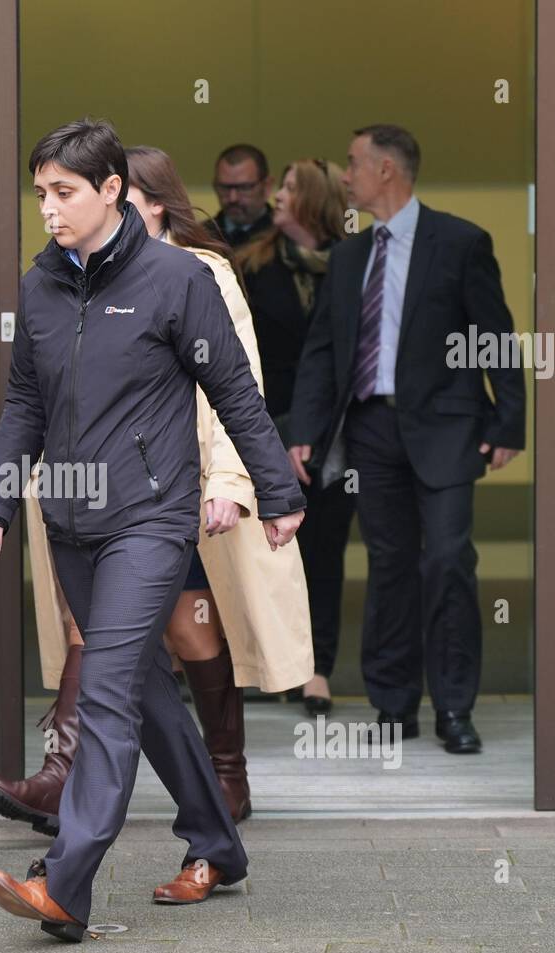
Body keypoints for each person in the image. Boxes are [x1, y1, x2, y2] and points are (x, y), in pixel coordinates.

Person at [0, 120, 305, 942]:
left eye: (64, 192)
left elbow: (233, 389)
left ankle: (65, 883)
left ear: (113, 190)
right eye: (41, 192)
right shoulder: (41, 285)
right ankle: (218, 843)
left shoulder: (174, 279)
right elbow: (24, 406)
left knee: (110, 694)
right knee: (148, 691)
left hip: (152, 522)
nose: (47, 208)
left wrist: (275, 488)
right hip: (71, 523)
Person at [287, 124, 526, 753]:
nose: (345, 175)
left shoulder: (460, 242)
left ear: (386, 170)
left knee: (447, 561)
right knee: (389, 565)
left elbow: (495, 338)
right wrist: (305, 432)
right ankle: (394, 706)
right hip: (370, 430)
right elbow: (321, 354)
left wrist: (508, 422)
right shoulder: (347, 256)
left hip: (448, 427)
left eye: (353, 162)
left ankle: (454, 709)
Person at [236, 158, 354, 715]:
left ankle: (315, 670)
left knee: (324, 551)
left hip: (339, 434)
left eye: (286, 188)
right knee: (268, 550)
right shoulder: (255, 265)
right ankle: (269, 663)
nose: (275, 196)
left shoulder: (355, 265)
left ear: (313, 200)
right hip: (265, 424)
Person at [203, 144, 275, 247]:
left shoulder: (286, 238)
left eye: (244, 188)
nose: (233, 198)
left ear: (267, 186)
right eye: (224, 187)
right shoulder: (201, 238)